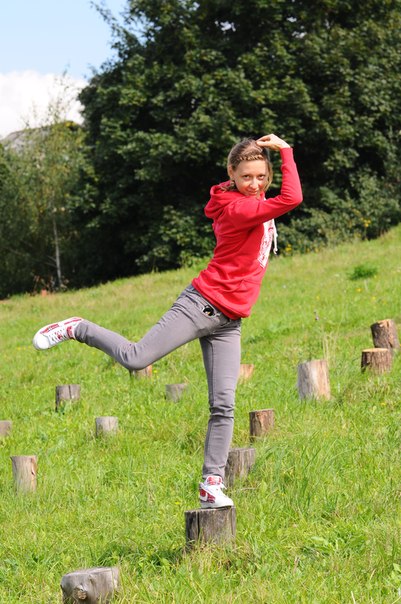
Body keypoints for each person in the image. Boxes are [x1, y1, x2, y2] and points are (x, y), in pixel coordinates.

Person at [33, 133, 302, 509]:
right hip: (201, 305)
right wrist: (286, 151)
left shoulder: (251, 201)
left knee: (224, 405)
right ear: (231, 174)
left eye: (261, 176)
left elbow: (274, 201)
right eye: (246, 177)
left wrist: (267, 166)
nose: (255, 184)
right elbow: (292, 198)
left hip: (229, 320)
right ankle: (77, 327)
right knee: (136, 358)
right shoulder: (239, 209)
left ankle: (211, 484)